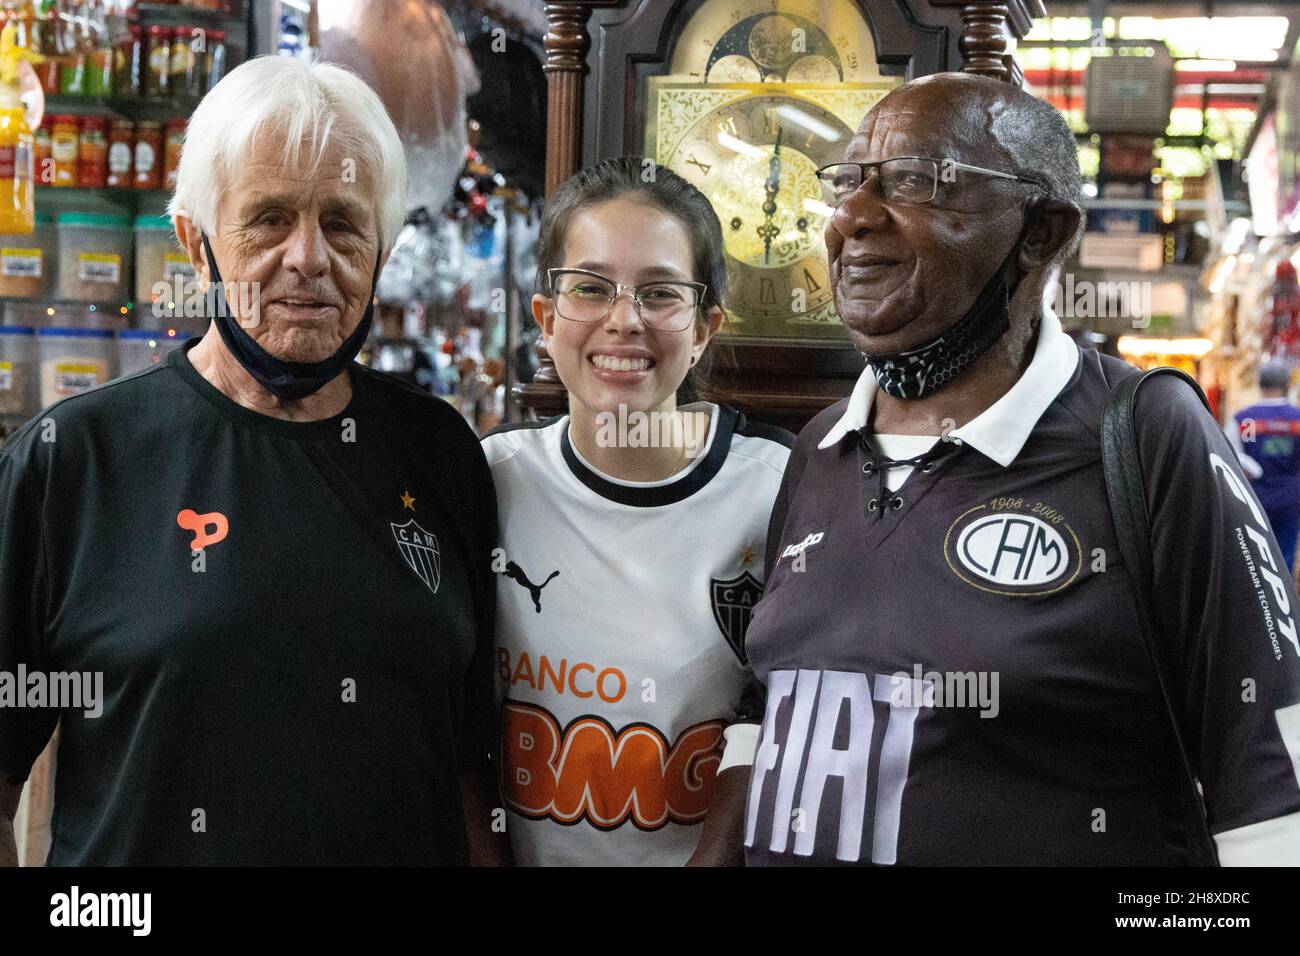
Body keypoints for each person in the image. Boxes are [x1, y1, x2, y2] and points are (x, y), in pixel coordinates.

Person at [742, 73, 1300, 865]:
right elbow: (772, 700)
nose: (853, 216)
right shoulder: (820, 446)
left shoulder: (1145, 436)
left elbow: (1272, 789)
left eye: (914, 180)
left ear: (1042, 231)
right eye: (848, 182)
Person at [0, 56, 502, 865]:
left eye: (343, 223)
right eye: (269, 219)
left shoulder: (440, 454)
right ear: (195, 245)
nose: (308, 257)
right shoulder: (73, 463)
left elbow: (470, 771)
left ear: (383, 251)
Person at [483, 158, 792, 865]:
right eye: (590, 288)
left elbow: (791, 712)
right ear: (546, 319)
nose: (624, 320)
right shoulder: (491, 479)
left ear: (705, 327)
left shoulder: (779, 487)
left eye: (660, 294)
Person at [1231, 362, 1300, 570]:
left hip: (1253, 499)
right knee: (1284, 555)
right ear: (1286, 384)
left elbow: (1230, 456)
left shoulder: (1245, 420)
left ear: (1260, 383)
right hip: (1290, 499)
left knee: (1253, 558)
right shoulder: (1297, 419)